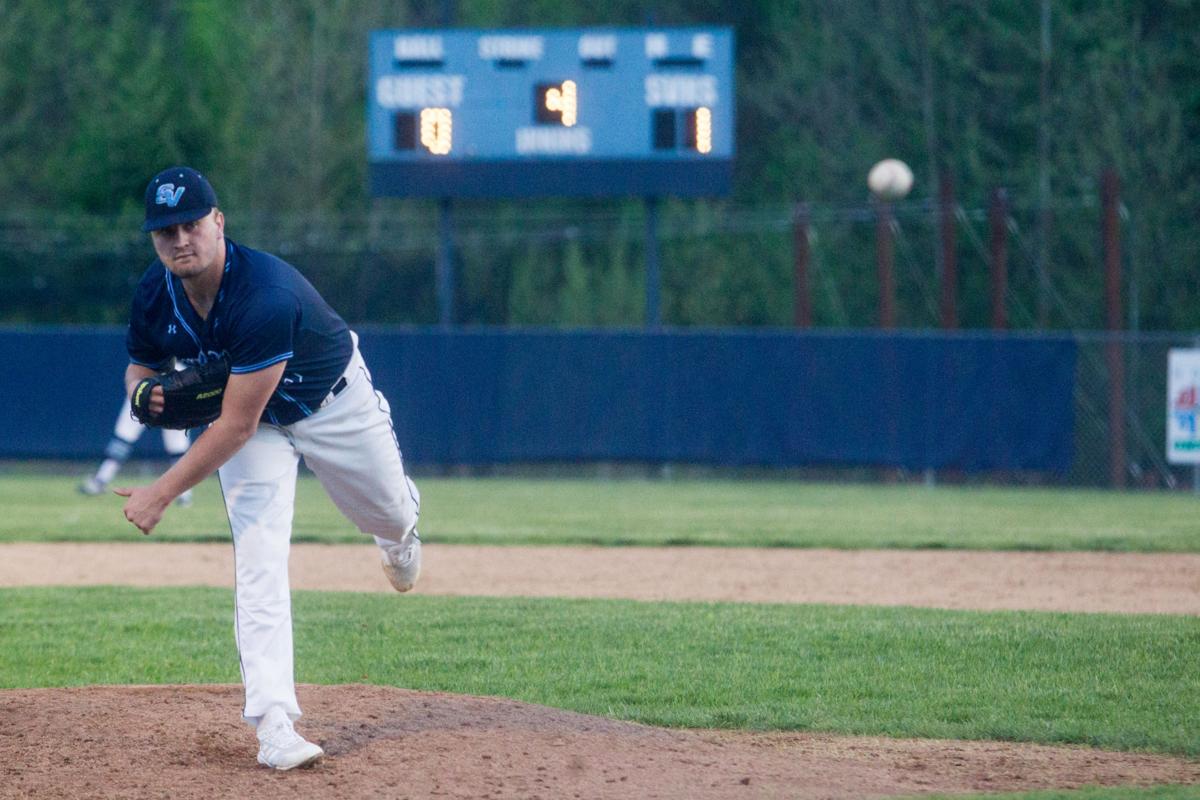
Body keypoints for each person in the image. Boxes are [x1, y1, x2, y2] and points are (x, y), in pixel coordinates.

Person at [115, 166, 422, 771]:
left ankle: (400, 532)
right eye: (164, 231)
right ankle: (275, 725)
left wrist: (161, 492)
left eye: (191, 224)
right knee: (258, 560)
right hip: (257, 427)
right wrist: (140, 395)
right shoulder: (156, 292)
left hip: (332, 403)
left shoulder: (265, 294)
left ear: (218, 222)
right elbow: (140, 366)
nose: (180, 239)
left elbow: (234, 424)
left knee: (385, 511)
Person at [79, 396, 194, 506]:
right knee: (177, 448)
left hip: (159, 390)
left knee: (177, 447)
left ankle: (100, 480)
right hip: (167, 390)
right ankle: (184, 493)